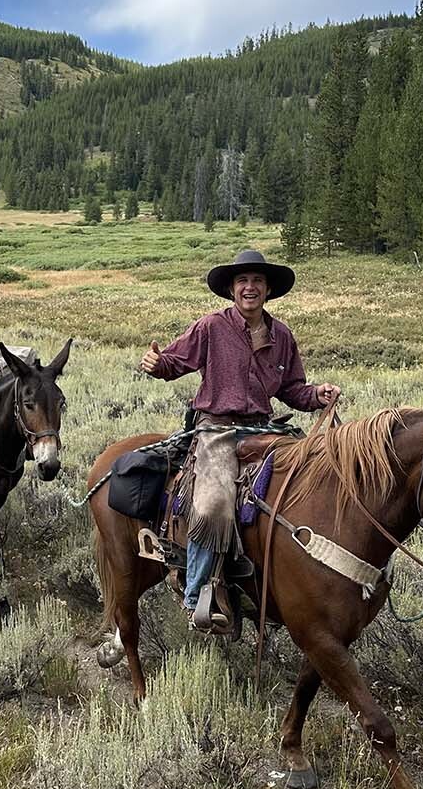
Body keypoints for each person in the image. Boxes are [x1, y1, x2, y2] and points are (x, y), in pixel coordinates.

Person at [139, 249, 339, 631]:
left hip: (265, 429)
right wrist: (155, 363)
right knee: (214, 505)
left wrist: (317, 395)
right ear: (232, 290)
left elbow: (293, 389)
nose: (250, 287)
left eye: (258, 281)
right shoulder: (212, 327)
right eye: (243, 281)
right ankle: (196, 594)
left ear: (267, 290)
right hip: (217, 429)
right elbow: (173, 363)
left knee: (310, 479)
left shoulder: (282, 336)